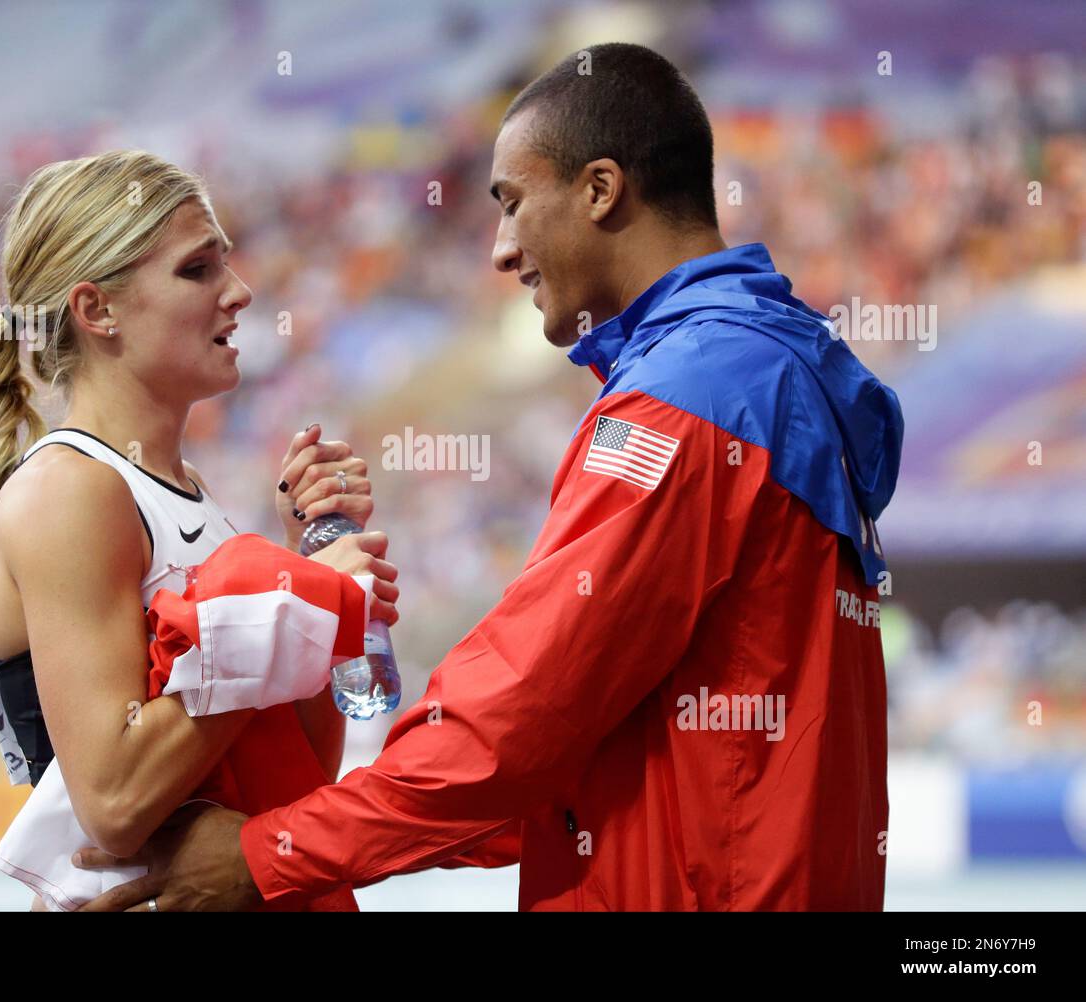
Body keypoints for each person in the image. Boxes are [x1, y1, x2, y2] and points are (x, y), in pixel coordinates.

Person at [75, 43, 903, 912]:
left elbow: (516, 722)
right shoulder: (778, 374)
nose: (502, 251)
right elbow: (579, 759)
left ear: (599, 190)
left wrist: (267, 852)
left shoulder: (686, 400)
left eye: (511, 204)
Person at [0, 150, 399, 912]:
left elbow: (301, 775)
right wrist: (268, 612)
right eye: (198, 270)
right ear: (99, 311)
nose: (241, 292)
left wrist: (308, 586)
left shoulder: (185, 495)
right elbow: (116, 804)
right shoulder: (71, 491)